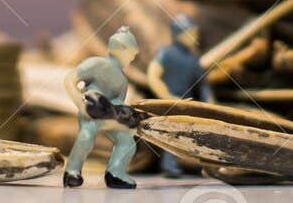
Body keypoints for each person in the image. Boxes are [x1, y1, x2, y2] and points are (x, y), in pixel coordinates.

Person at [63, 25, 139, 190]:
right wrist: (80, 104)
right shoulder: (96, 63)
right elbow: (70, 79)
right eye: (132, 53)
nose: (133, 57)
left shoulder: (123, 80)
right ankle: (72, 171)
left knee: (127, 141)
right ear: (120, 49)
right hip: (91, 111)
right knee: (86, 137)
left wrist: (126, 119)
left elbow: (118, 103)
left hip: (108, 114)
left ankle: (115, 173)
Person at [147, 14, 213, 176]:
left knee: (193, 136)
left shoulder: (193, 59)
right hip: (171, 103)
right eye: (191, 32)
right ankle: (169, 165)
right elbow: (153, 76)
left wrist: (209, 102)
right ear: (179, 33)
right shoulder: (166, 53)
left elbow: (202, 84)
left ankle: (203, 165)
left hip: (187, 103)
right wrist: (166, 97)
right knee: (171, 135)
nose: (195, 36)